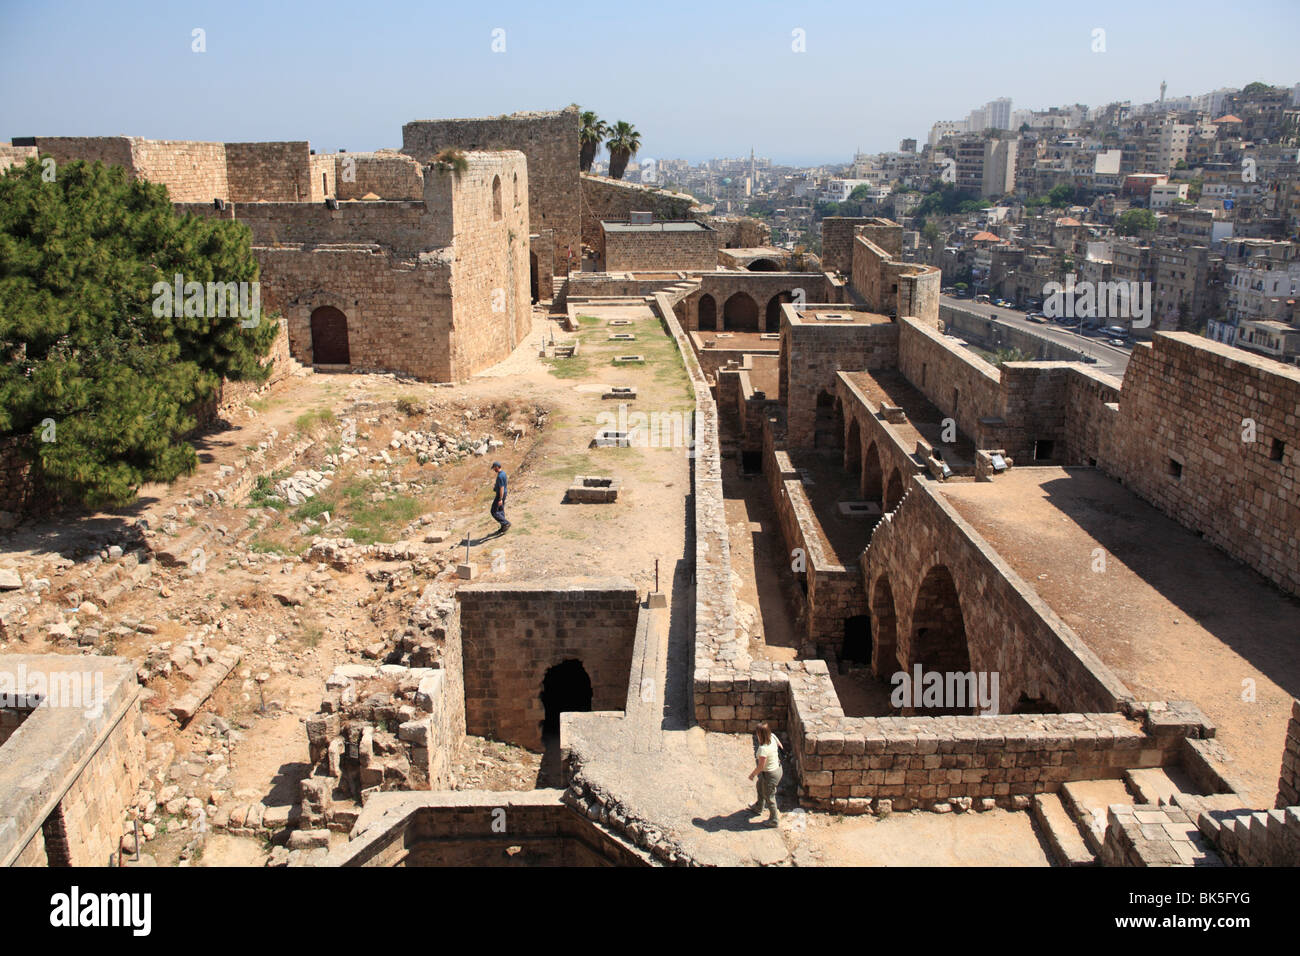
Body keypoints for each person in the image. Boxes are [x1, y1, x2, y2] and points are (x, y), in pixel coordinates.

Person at [747, 722, 782, 826]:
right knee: (760, 785)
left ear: (760, 734)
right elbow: (781, 747)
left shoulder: (763, 749)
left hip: (771, 774)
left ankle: (774, 820)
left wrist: (752, 774)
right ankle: (758, 807)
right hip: (777, 769)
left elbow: (761, 766)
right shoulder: (773, 737)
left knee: (769, 797)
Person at [490, 462, 510, 533]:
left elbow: (502, 487)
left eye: (494, 468)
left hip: (500, 495)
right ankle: (504, 527)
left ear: (497, 467)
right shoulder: (503, 473)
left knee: (493, 511)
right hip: (504, 493)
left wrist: (500, 499)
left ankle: (505, 523)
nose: (494, 470)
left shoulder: (500, 476)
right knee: (500, 510)